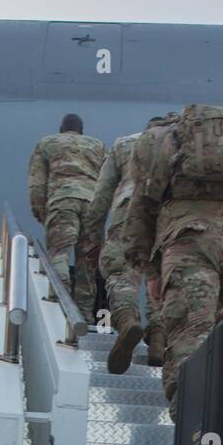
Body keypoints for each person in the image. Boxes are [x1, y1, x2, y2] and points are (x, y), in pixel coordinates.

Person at [123, 102, 223, 414]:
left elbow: (142, 207)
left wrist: (149, 269)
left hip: (190, 243)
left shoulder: (167, 141)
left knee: (190, 332)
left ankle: (189, 424)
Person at [85, 131, 165, 373]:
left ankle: (128, 320)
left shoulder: (124, 144)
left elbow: (101, 195)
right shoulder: (182, 140)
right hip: (167, 216)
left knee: (120, 273)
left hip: (128, 212)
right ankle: (159, 340)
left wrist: (93, 241)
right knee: (160, 276)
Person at [27, 113, 106, 322]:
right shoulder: (97, 145)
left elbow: (37, 184)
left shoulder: (47, 143)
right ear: (82, 131)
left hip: (63, 201)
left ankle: (63, 304)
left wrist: (42, 213)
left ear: (61, 129)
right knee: (88, 261)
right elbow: (107, 181)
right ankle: (85, 315)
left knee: (59, 254)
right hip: (92, 205)